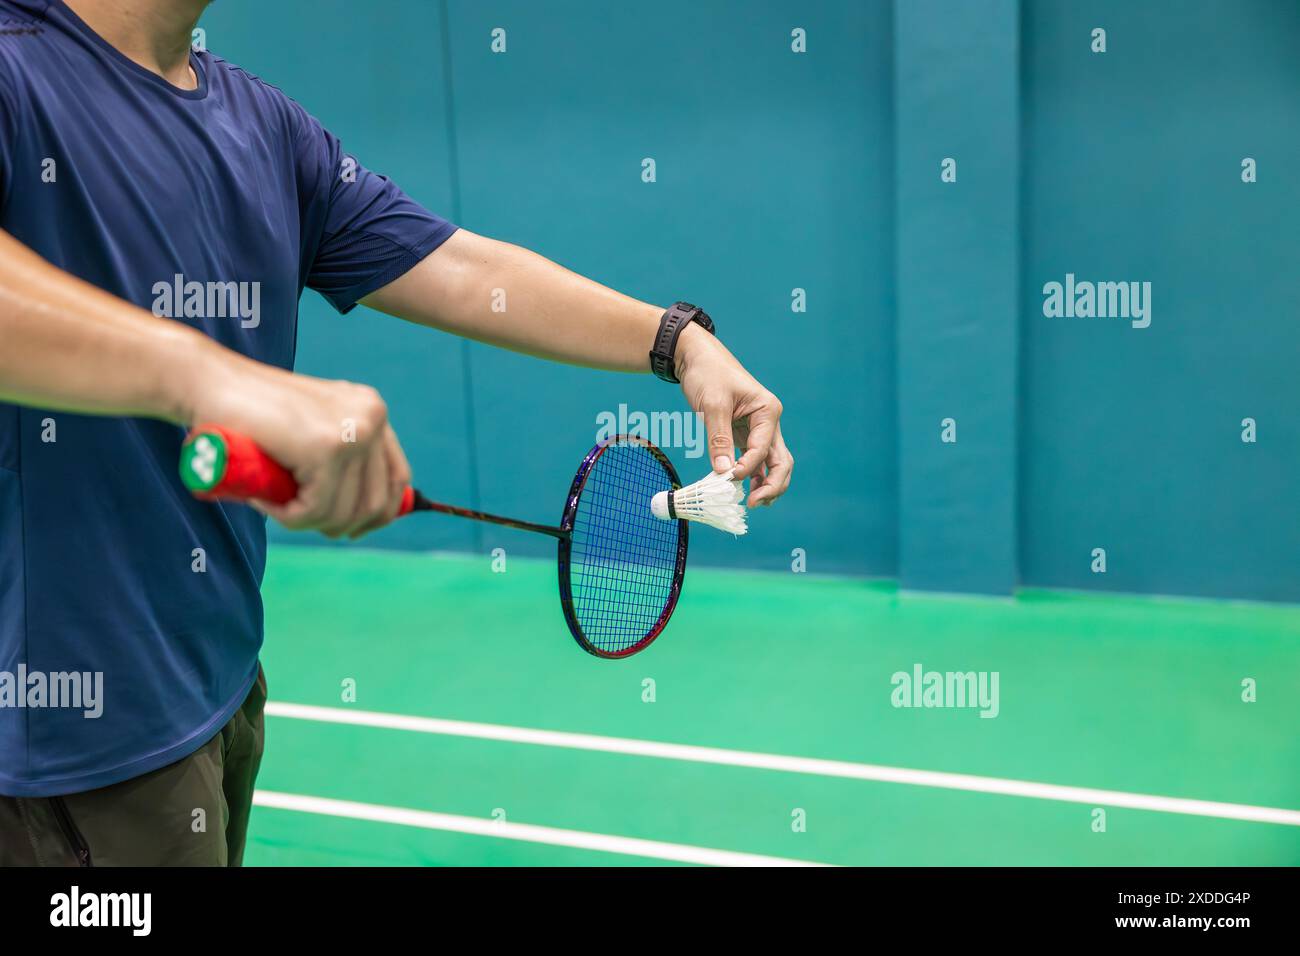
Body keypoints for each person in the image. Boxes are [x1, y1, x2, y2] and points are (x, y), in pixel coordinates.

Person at [0, 0, 793, 865]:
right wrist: (210, 377)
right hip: (73, 745)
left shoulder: (260, 123)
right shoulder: (18, 67)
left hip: (218, 682)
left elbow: (458, 268)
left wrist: (680, 342)